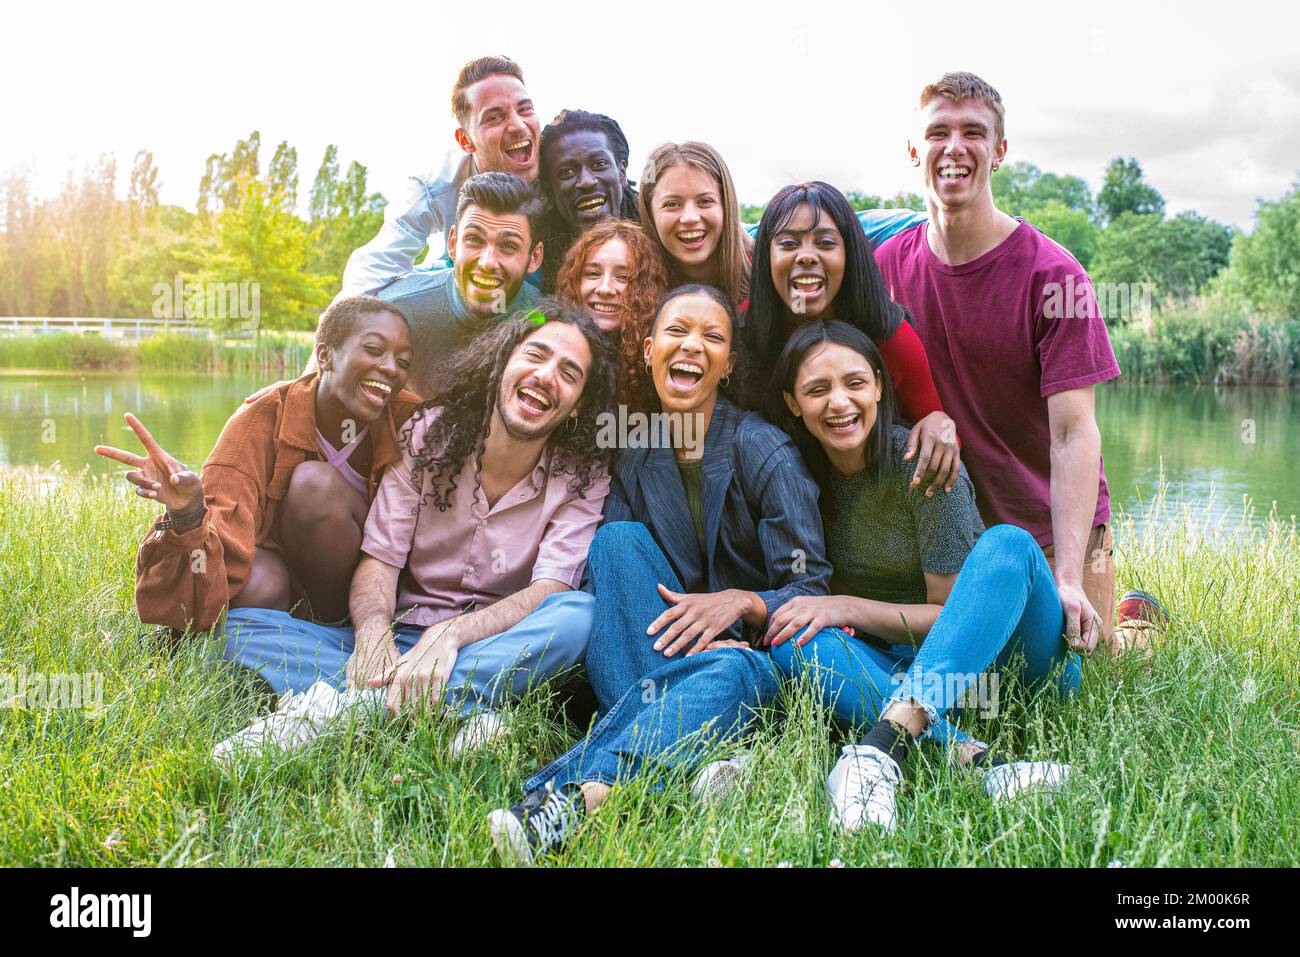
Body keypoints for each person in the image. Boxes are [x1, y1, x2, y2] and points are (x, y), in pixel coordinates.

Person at [487, 284, 832, 865]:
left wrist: (742, 601)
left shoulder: (764, 449)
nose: (691, 346)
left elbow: (810, 587)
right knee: (616, 543)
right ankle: (694, 751)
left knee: (729, 666)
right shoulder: (634, 448)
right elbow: (620, 593)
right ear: (648, 351)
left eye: (712, 337)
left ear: (728, 365)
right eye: (676, 331)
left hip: (749, 659)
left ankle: (577, 796)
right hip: (658, 656)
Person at [213, 301, 620, 763]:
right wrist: (370, 633)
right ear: (501, 363)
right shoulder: (430, 432)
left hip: (494, 646)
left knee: (577, 615)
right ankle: (459, 711)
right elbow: (381, 559)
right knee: (239, 630)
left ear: (576, 407)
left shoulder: (583, 474)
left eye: (570, 373)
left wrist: (450, 635)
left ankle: (348, 710)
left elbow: (549, 588)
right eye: (535, 355)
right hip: (401, 637)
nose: (547, 376)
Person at [763, 320, 1078, 834]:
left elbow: (951, 617)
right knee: (790, 637)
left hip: (1002, 665)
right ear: (793, 402)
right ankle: (974, 760)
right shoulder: (797, 477)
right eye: (817, 389)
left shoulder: (924, 463)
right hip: (905, 670)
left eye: (855, 383)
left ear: (880, 387)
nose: (839, 402)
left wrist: (844, 607)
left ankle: (883, 746)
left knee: (1009, 545)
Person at [873, 71, 1145, 653]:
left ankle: (1138, 624)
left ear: (999, 151)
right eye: (938, 132)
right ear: (913, 151)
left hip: (1048, 529)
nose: (954, 148)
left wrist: (1069, 576)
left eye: (973, 133)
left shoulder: (1055, 276)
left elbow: (1074, 433)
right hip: (949, 530)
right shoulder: (885, 267)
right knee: (972, 669)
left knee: (1092, 667)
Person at [95, 296, 420, 632]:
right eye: (373, 349)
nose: (391, 368)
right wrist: (188, 514)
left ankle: (338, 628)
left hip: (375, 588)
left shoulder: (413, 419)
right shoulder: (259, 420)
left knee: (315, 485)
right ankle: (305, 633)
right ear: (325, 356)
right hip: (293, 587)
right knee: (262, 579)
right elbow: (222, 531)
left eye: (403, 361)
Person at [746, 181, 962, 495]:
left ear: (850, 255)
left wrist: (940, 425)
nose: (806, 256)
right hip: (785, 503)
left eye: (825, 242)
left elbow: (939, 427)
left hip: (876, 504)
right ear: (766, 257)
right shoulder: (749, 327)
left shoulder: (888, 332)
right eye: (789, 244)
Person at [340, 56, 541, 297]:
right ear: (466, 140)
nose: (518, 125)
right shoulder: (436, 185)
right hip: (456, 284)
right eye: (494, 117)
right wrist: (340, 326)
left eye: (524, 109)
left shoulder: (567, 163)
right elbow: (376, 266)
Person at [375, 171, 545, 397]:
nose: (487, 263)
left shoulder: (547, 323)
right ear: (453, 243)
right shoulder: (395, 312)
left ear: (534, 257)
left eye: (508, 246)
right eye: (474, 239)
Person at [553, 219, 669, 406]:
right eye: (592, 273)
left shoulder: (656, 371)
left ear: (647, 291)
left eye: (623, 277)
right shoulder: (547, 342)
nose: (605, 289)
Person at [537, 110, 641, 292]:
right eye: (567, 172)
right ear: (549, 189)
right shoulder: (534, 260)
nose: (586, 182)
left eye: (599, 164)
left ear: (622, 172)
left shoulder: (659, 232)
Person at [638, 142, 753, 307]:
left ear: (726, 205)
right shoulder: (630, 286)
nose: (690, 218)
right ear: (650, 213)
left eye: (705, 201)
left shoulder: (768, 274)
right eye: (671, 204)